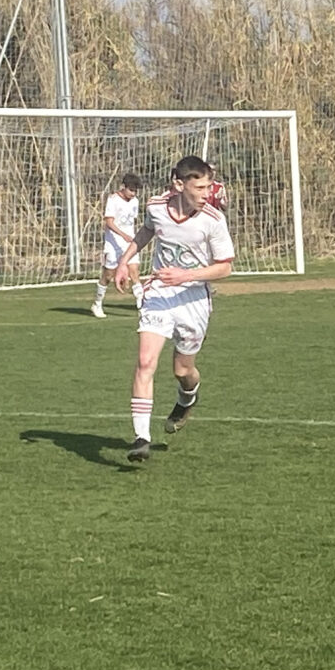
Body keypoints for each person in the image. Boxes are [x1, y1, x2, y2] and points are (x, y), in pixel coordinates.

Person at [115, 155, 235, 463]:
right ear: (179, 185)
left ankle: (188, 397)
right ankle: (141, 438)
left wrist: (187, 276)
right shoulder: (156, 207)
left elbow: (225, 267)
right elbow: (147, 231)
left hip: (194, 299)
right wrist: (124, 261)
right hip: (159, 293)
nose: (207, 194)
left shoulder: (213, 219)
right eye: (200, 188)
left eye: (209, 187)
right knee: (145, 361)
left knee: (182, 370)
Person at [92, 173, 142, 318]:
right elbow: (109, 222)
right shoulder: (113, 199)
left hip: (129, 243)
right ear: (123, 187)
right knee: (108, 275)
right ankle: (97, 303)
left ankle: (142, 306)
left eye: (135, 191)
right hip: (113, 242)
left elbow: (131, 222)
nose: (133, 194)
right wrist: (122, 234)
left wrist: (131, 236)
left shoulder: (135, 201)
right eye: (131, 190)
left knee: (134, 271)